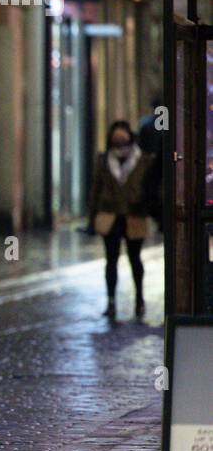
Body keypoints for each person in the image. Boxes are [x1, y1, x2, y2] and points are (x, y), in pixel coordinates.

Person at [87, 120, 154, 321]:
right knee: (111, 261)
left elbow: (150, 188)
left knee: (135, 259)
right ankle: (111, 301)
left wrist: (148, 207)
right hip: (110, 215)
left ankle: (140, 300)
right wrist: (91, 219)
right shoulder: (103, 160)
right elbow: (95, 191)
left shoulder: (143, 160)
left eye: (123, 136)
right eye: (116, 137)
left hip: (134, 215)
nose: (119, 140)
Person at [136, 97, 163, 233]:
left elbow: (140, 144)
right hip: (158, 163)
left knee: (152, 191)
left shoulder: (147, 124)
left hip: (152, 163)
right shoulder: (160, 124)